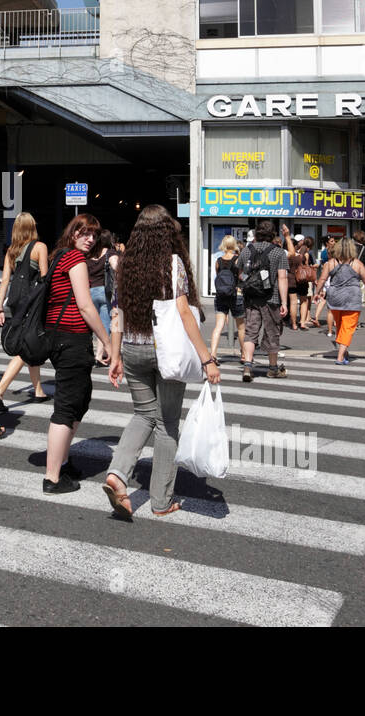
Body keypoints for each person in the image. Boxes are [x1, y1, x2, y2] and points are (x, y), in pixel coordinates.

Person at [104, 206, 221, 520]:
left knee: (143, 415)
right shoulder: (172, 263)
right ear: (166, 232)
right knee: (167, 424)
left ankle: (117, 473)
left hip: (132, 348)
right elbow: (184, 313)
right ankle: (160, 502)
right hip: (165, 351)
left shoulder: (124, 264)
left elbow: (118, 313)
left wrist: (115, 356)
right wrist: (207, 358)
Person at [42, 214, 113, 494]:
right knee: (67, 406)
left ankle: (63, 462)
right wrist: (106, 341)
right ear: (72, 233)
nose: (90, 239)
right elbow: (85, 306)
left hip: (62, 338)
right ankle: (52, 478)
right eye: (83, 233)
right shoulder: (75, 260)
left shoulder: (58, 255)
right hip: (70, 339)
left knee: (79, 400)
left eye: (94, 235)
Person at [0, 213, 48, 410]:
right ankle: (0, 390)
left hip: (16, 299)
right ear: (32, 227)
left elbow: (5, 280)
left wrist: (0, 307)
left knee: (30, 341)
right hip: (32, 300)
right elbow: (44, 279)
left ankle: (38, 390)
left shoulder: (11, 250)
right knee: (27, 346)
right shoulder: (39, 247)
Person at [236, 219, 290, 382]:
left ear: (257, 233)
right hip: (271, 298)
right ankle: (273, 369)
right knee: (272, 332)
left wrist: (250, 282)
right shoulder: (278, 252)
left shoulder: (247, 250)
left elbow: (239, 273)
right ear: (273, 234)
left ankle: (247, 367)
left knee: (251, 332)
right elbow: (282, 278)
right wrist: (284, 303)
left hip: (251, 298)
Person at [314, 237, 365, 364]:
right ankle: (340, 357)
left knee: (340, 326)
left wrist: (316, 293)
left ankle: (344, 352)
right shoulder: (357, 263)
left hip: (335, 298)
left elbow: (322, 280)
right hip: (352, 297)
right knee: (348, 327)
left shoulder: (330, 263)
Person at [209, 234, 246, 359]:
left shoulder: (218, 261)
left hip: (220, 296)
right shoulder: (237, 259)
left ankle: (213, 353)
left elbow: (218, 277)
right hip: (236, 295)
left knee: (218, 326)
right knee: (241, 327)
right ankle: (244, 355)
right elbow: (242, 277)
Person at [87, 231, 114, 365]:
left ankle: (95, 352)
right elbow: (116, 267)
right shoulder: (109, 253)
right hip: (104, 292)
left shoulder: (89, 255)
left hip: (90, 292)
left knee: (92, 324)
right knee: (103, 325)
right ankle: (99, 355)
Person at [282, 226, 307, 330]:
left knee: (292, 302)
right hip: (302, 279)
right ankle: (302, 322)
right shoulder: (300, 256)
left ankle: (293, 324)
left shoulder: (284, 256)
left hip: (290, 279)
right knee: (303, 301)